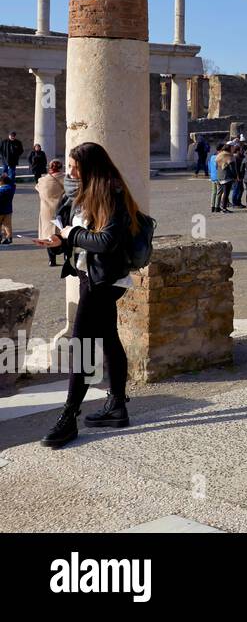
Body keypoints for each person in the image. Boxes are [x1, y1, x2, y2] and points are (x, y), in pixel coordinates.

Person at [34, 141, 144, 448]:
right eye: (69, 166)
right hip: (88, 274)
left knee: (81, 343)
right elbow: (75, 231)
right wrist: (59, 241)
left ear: (91, 167)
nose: (69, 172)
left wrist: (70, 234)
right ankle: (117, 406)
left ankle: (69, 416)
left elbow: (107, 240)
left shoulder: (112, 193)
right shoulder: (82, 194)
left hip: (104, 280)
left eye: (75, 167)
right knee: (108, 337)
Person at [37, 159, 65, 265]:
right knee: (63, 234)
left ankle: (51, 260)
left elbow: (38, 188)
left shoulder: (42, 180)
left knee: (48, 235)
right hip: (60, 210)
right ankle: (66, 257)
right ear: (61, 167)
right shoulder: (65, 178)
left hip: (46, 211)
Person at [216, 144, 236, 213]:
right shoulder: (229, 156)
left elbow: (216, 166)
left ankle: (222, 207)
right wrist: (235, 176)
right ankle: (223, 208)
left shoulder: (219, 155)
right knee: (226, 193)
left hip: (219, 176)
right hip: (227, 176)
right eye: (232, 148)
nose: (233, 149)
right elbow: (232, 167)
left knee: (223, 193)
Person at [0, 173, 14, 244]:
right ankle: (9, 238)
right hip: (8, 210)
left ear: (2, 182)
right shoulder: (11, 188)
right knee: (8, 225)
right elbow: (12, 183)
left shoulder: (1, 190)